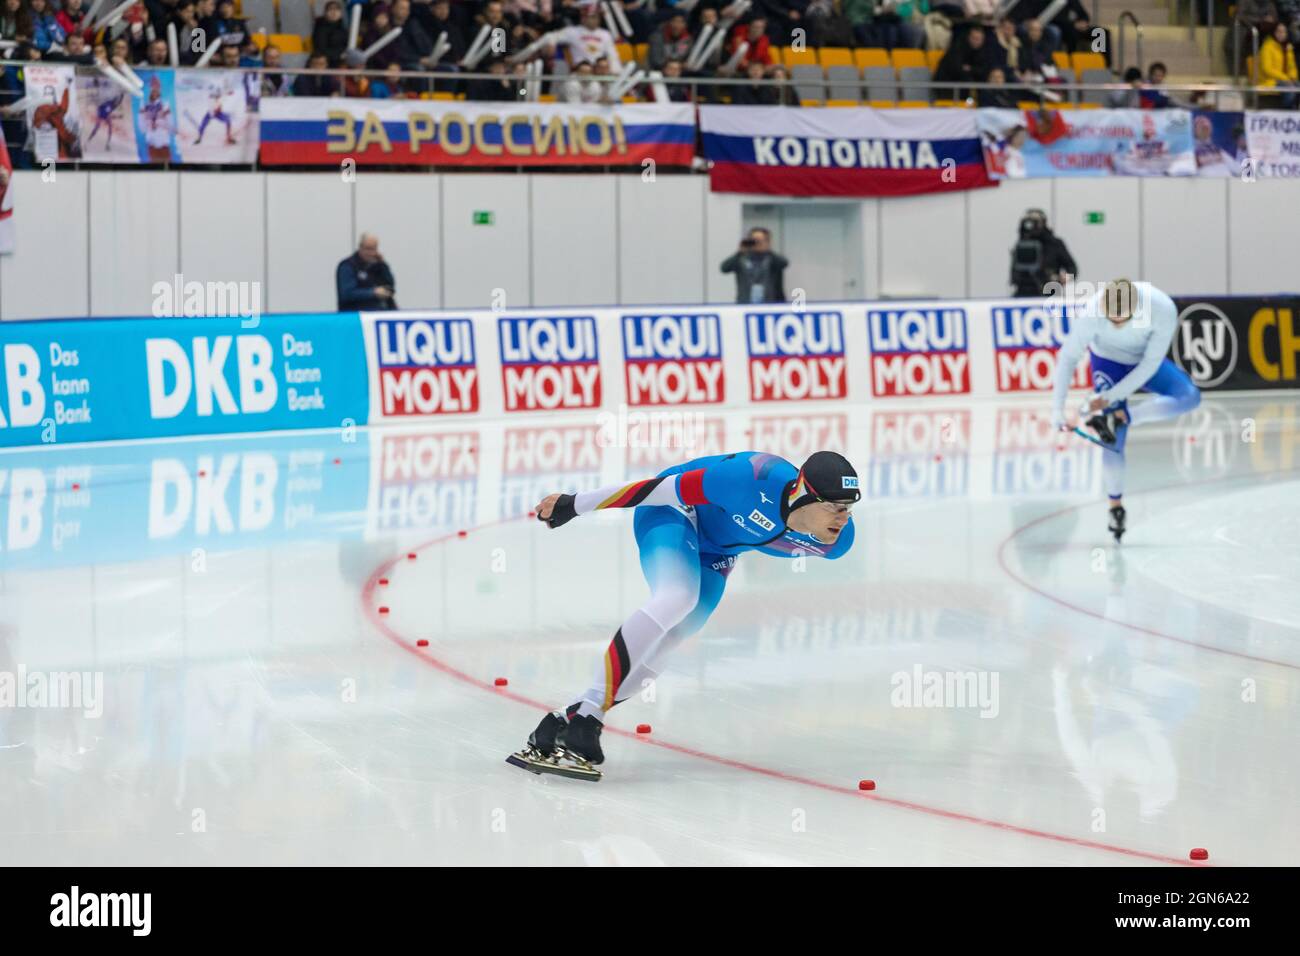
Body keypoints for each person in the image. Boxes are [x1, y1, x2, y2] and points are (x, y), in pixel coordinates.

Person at [510, 450, 859, 778]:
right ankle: (589, 718)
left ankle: (564, 719)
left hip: (716, 552)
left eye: (849, 508)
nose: (843, 518)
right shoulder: (750, 477)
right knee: (677, 596)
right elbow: (654, 489)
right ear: (802, 493)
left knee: (680, 631)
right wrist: (574, 504)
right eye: (834, 507)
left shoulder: (834, 544)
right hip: (674, 510)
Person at [1050, 280, 1200, 542]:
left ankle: (1121, 416)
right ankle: (1115, 506)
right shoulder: (1092, 311)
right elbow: (1068, 358)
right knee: (1113, 443)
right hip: (1108, 363)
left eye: (1122, 320)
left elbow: (1150, 366)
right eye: (1111, 320)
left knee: (1190, 398)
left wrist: (1111, 400)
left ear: (1137, 309)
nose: (1116, 324)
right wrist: (1057, 408)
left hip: (1144, 363)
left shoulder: (1162, 308)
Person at [1009, 209, 1075, 297]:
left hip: (1048, 292)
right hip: (1022, 291)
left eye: (1035, 222)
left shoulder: (1054, 244)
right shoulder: (1022, 243)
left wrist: (1064, 278)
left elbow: (1072, 268)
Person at [721, 227, 788, 304]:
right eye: (754, 240)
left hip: (769, 303)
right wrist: (739, 252)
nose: (757, 243)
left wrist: (767, 250)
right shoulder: (741, 258)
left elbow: (784, 263)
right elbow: (724, 268)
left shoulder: (771, 259)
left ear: (767, 241)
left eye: (760, 241)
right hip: (745, 303)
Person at [337, 233, 398, 311]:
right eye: (368, 249)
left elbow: (390, 285)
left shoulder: (378, 265)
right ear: (360, 247)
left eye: (374, 249)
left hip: (382, 312)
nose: (371, 253)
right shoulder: (348, 266)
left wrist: (383, 265)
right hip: (356, 315)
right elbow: (347, 294)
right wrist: (373, 293)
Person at [1260, 21, 1299, 108]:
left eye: (1284, 32)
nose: (1282, 34)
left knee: (1297, 85)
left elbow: (1291, 66)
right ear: (1274, 32)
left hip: (1285, 79)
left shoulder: (1288, 47)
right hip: (1269, 80)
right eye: (1279, 31)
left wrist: (1293, 77)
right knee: (1289, 88)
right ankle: (1285, 112)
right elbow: (1267, 69)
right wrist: (1285, 78)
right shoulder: (1267, 47)